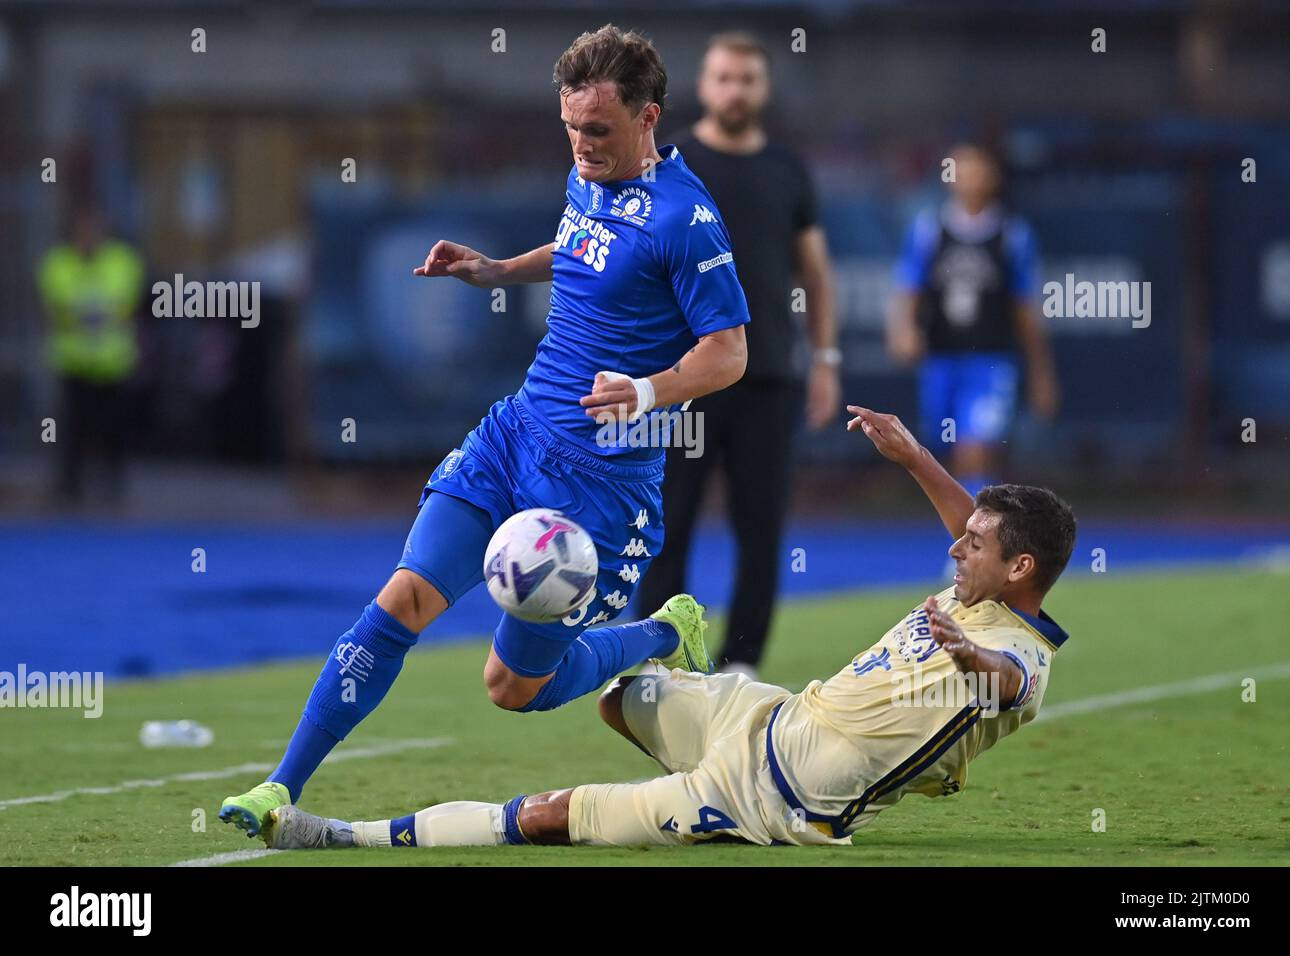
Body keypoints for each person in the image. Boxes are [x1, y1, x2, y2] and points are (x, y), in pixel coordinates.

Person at [220, 24, 751, 837]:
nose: (580, 146)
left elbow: (729, 354)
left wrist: (648, 390)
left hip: (600, 493)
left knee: (510, 687)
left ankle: (659, 632)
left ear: (648, 119)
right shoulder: (591, 176)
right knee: (399, 601)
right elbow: (584, 247)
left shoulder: (688, 220)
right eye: (570, 128)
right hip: (513, 438)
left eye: (598, 131)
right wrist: (498, 270)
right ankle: (278, 788)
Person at [257, 406, 1076, 851]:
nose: (955, 544)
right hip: (773, 714)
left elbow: (1011, 686)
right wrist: (909, 457)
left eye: (975, 544)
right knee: (622, 701)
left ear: (1020, 572)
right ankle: (663, 634)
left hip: (778, 797)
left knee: (545, 816)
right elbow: (969, 520)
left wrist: (971, 654)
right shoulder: (984, 588)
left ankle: (339, 835)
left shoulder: (1016, 653)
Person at [635, 31, 840, 677]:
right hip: (684, 377)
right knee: (667, 527)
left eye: (747, 79)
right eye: (723, 77)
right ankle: (659, 661)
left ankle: (740, 667)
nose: (734, 90)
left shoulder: (787, 169)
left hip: (769, 376)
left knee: (761, 530)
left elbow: (816, 271)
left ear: (764, 88)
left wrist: (826, 360)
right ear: (703, 83)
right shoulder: (670, 165)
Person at [887, 142, 1059, 497]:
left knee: (976, 449)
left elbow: (1025, 309)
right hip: (941, 359)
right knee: (946, 452)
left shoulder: (1011, 235)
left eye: (977, 169)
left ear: (993, 177)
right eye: (960, 169)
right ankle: (966, 530)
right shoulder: (930, 231)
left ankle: (977, 539)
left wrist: (1042, 372)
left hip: (991, 361)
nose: (969, 178)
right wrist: (903, 330)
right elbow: (908, 289)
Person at [37, 204, 146, 504]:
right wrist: (92, 315)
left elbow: (126, 307)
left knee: (114, 426)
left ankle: (114, 484)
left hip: (114, 361)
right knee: (73, 426)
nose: (88, 235)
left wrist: (85, 315)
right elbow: (55, 310)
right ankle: (69, 486)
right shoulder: (57, 263)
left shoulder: (122, 261)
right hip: (74, 361)